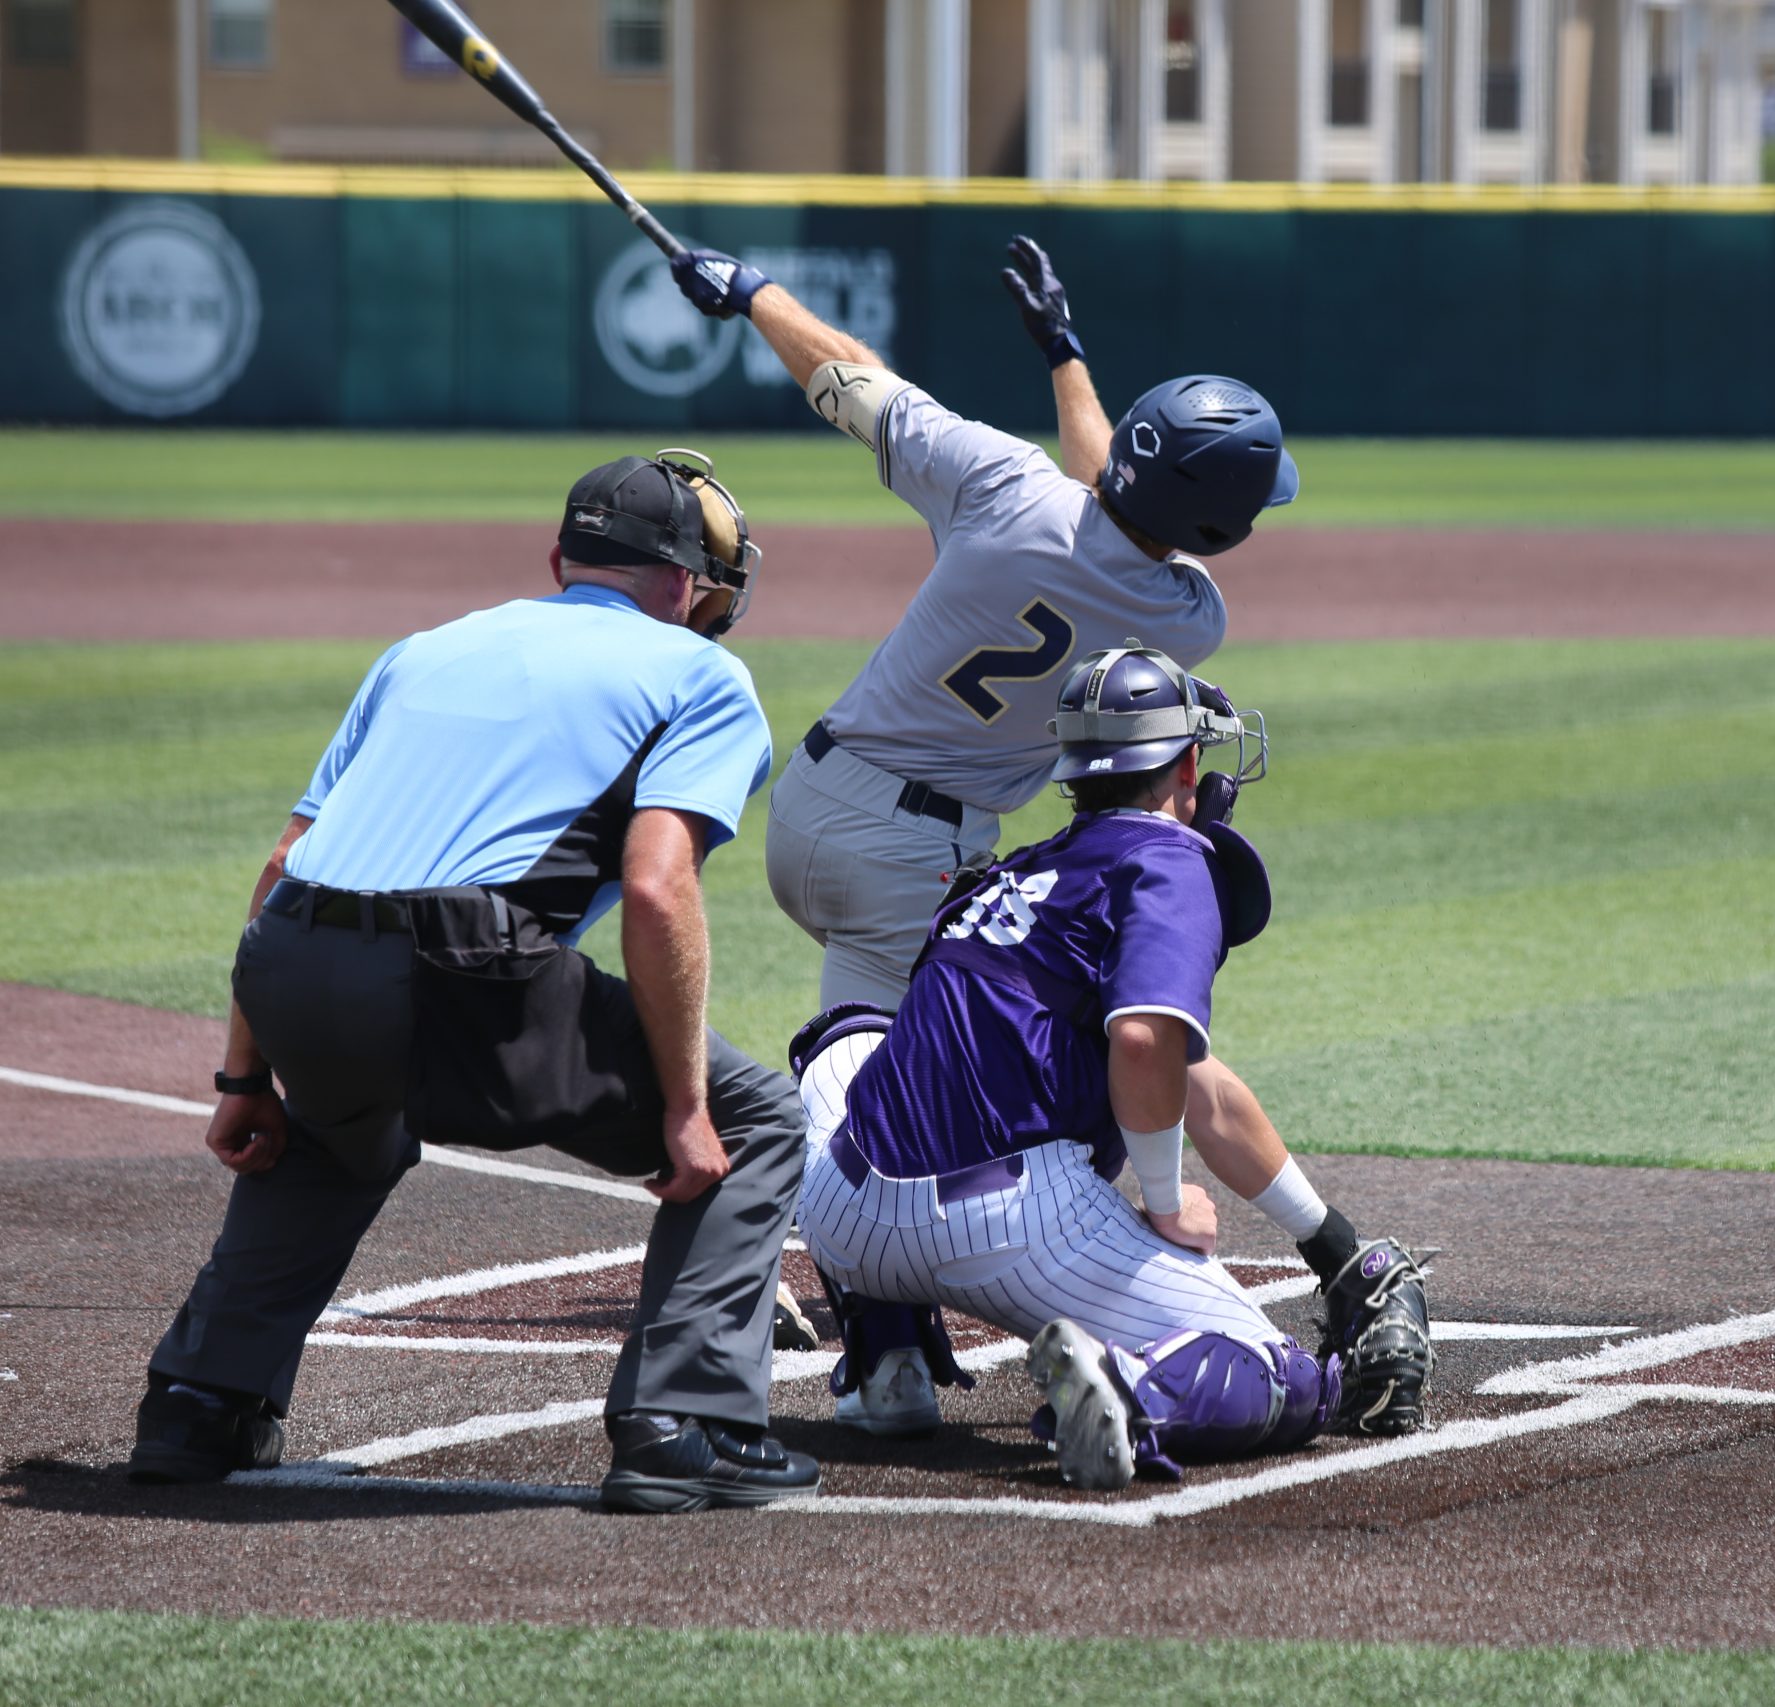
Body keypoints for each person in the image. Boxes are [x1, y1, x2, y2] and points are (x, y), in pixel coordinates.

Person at [667, 236, 1310, 1436]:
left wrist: (753, 293)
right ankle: (942, 1324)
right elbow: (1119, 498)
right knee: (929, 1102)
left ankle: (890, 1351)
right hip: (918, 854)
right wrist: (1068, 354)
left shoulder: (1002, 484)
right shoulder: (1188, 615)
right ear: (1218, 530)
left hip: (815, 806)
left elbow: (849, 381)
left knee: (864, 1060)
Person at [128, 450, 822, 1515]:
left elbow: (282, 866)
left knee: (336, 1125)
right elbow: (655, 889)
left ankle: (196, 1404)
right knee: (758, 1119)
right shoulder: (699, 674)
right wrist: (682, 1110)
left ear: (559, 559)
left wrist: (242, 1080)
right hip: (461, 973)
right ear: (688, 586)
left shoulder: (424, 649)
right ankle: (684, 1426)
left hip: (291, 957)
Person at [787, 644, 1434, 1490]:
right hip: (1013, 1229)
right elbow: (1142, 1043)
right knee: (1281, 1375)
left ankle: (890, 1364)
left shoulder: (1024, 872)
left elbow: (1196, 1084)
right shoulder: (1168, 857)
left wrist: (1325, 1235)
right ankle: (1131, 1392)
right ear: (1187, 763)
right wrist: (1164, 1203)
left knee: (850, 1041)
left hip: (845, 1212)